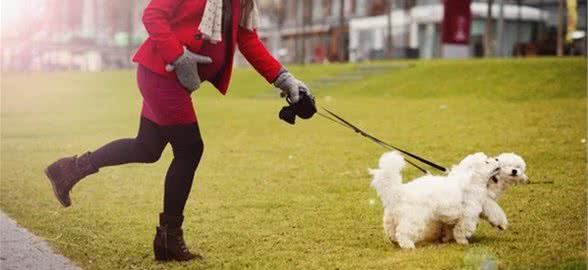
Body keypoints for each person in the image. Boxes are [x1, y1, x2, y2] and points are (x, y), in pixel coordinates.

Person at [44, 0, 310, 262]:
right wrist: (178, 56)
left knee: (146, 148)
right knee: (190, 150)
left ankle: (69, 169)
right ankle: (169, 238)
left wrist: (283, 78)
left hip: (169, 80)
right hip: (163, 74)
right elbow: (152, 14)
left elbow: (246, 38)